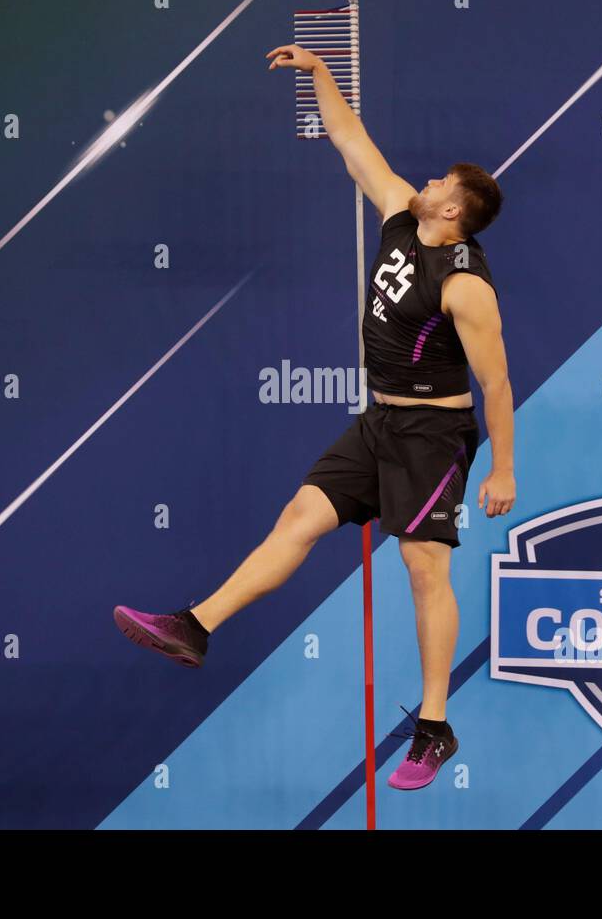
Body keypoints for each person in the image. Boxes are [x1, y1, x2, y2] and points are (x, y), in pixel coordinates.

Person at [113, 43, 515, 791]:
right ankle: (194, 627)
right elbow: (351, 143)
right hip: (380, 423)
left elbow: (496, 384)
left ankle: (434, 727)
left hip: (434, 434)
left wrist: (503, 467)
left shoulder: (465, 286)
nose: (424, 182)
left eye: (439, 183)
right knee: (299, 517)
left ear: (454, 210)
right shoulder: (402, 218)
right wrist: (322, 76)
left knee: (423, 567)